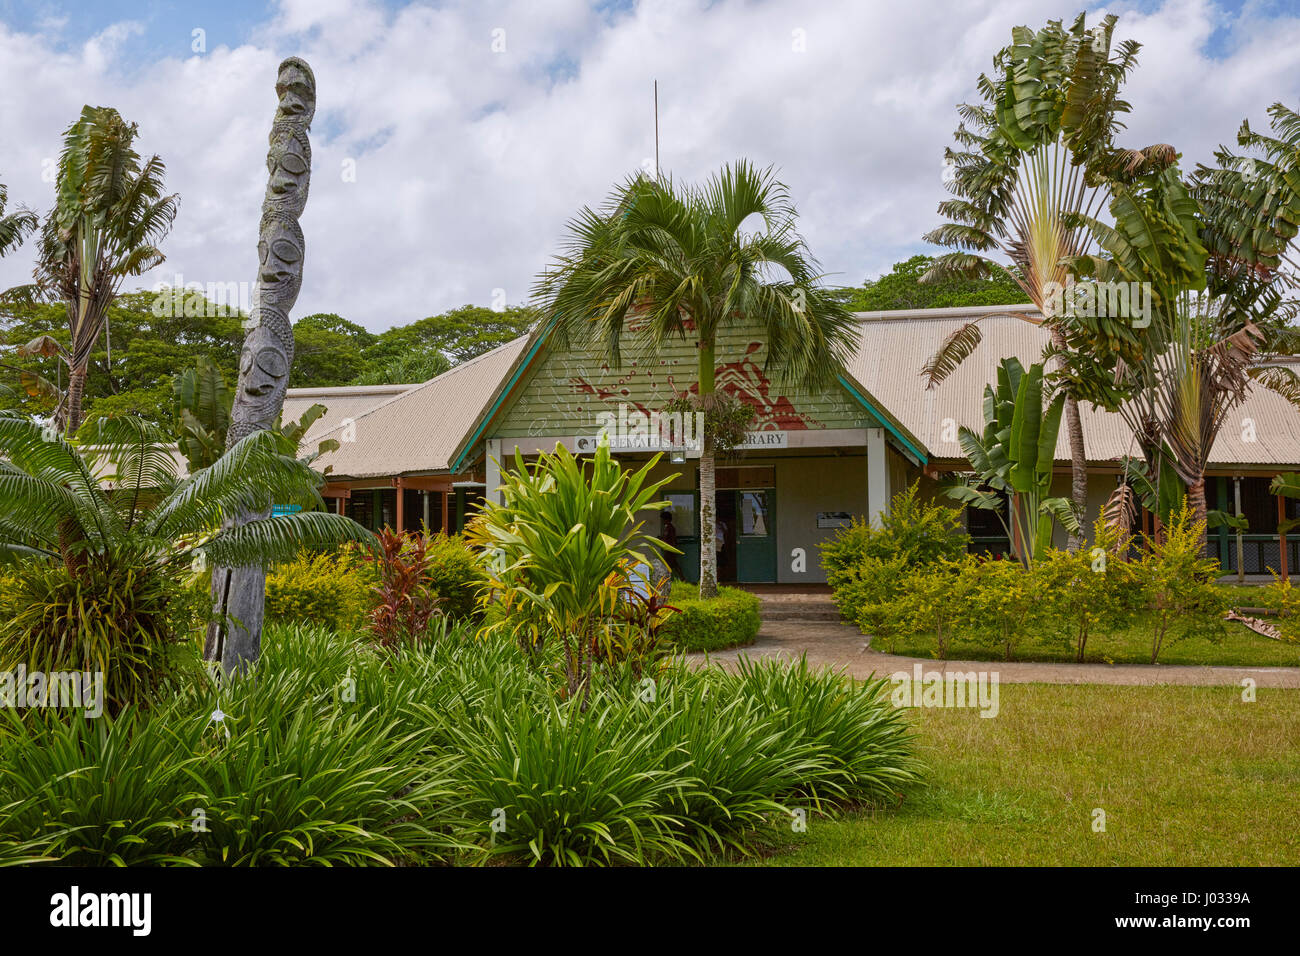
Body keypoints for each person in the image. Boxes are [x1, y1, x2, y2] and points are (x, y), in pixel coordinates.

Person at [660, 510, 683, 577]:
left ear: (666, 519)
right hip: (668, 549)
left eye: (663, 519)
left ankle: (666, 578)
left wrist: (673, 549)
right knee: (674, 565)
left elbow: (671, 539)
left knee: (669, 565)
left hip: (670, 550)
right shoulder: (668, 527)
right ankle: (682, 578)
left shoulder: (670, 528)